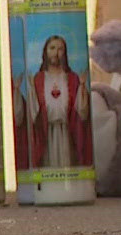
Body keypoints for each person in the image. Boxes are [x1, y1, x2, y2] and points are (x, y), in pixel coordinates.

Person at [21, 35, 92, 168]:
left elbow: (82, 113)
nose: (56, 53)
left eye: (60, 49)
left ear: (64, 53)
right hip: (46, 135)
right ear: (45, 51)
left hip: (67, 134)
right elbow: (33, 113)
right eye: (52, 48)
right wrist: (31, 89)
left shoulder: (72, 78)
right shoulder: (38, 79)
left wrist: (82, 87)